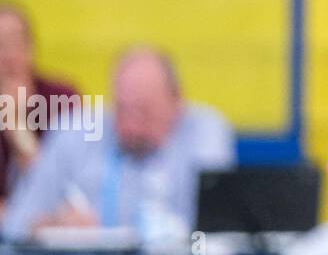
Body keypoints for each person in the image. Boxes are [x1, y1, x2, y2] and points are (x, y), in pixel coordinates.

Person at [1, 45, 235, 241]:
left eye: (144, 112)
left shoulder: (203, 133)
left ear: (176, 101)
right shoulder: (77, 132)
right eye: (122, 110)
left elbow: (220, 236)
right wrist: (54, 228)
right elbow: (16, 226)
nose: (131, 126)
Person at [0, 2, 79, 223]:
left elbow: (65, 188)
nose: (8, 56)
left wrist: (17, 128)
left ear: (30, 47)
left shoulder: (62, 99)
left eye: (15, 42)